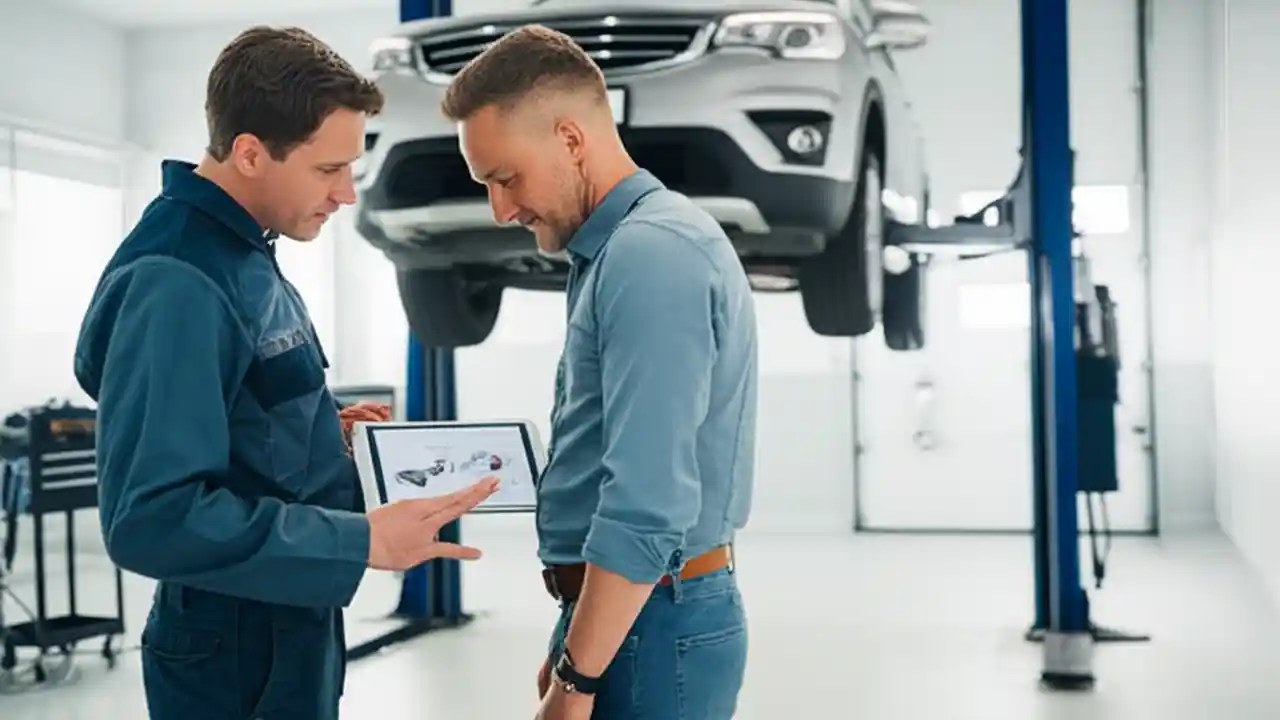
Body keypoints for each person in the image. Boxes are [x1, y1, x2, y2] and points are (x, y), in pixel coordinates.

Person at [72, 26, 498, 720]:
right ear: (249, 154)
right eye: (329, 170)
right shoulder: (176, 279)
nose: (347, 195)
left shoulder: (242, 249)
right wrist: (362, 539)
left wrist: (313, 430)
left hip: (286, 619)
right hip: (234, 652)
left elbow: (232, 407)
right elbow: (150, 518)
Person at [441, 25, 759, 720]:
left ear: (571, 139)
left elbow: (646, 499)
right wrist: (573, 649)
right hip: (633, 615)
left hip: (655, 626)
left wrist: (576, 679)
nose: (501, 211)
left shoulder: (652, 255)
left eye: (506, 178)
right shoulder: (616, 249)